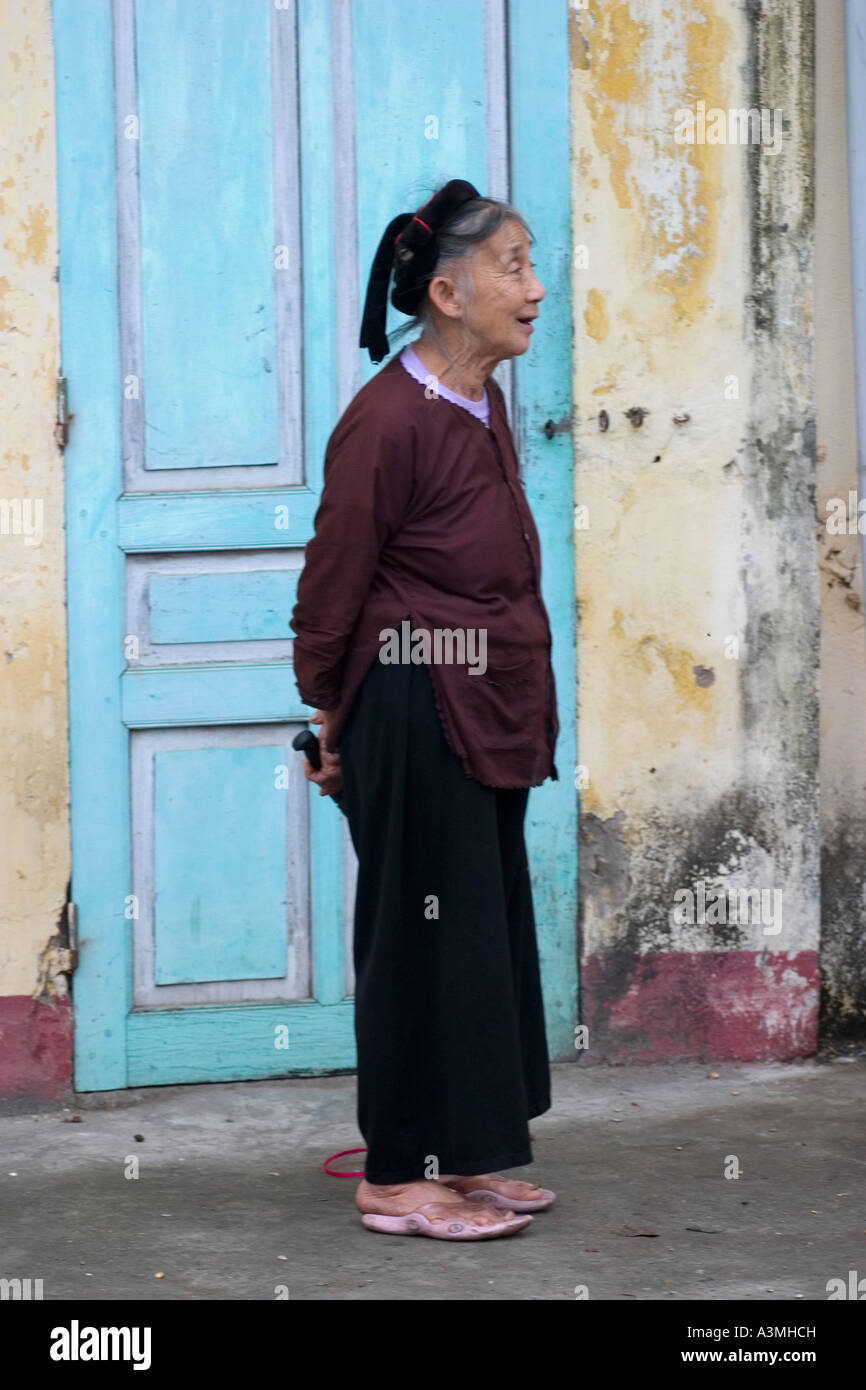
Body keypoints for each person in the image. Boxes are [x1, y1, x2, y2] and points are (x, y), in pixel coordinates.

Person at [290, 179, 560, 1241]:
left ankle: (463, 1152)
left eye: (532, 263)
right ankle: (398, 1174)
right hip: (414, 699)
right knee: (417, 939)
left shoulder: (479, 396)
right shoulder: (386, 421)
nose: (534, 289)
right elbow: (333, 578)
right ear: (446, 293)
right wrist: (329, 718)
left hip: (485, 700)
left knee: (477, 934)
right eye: (512, 267)